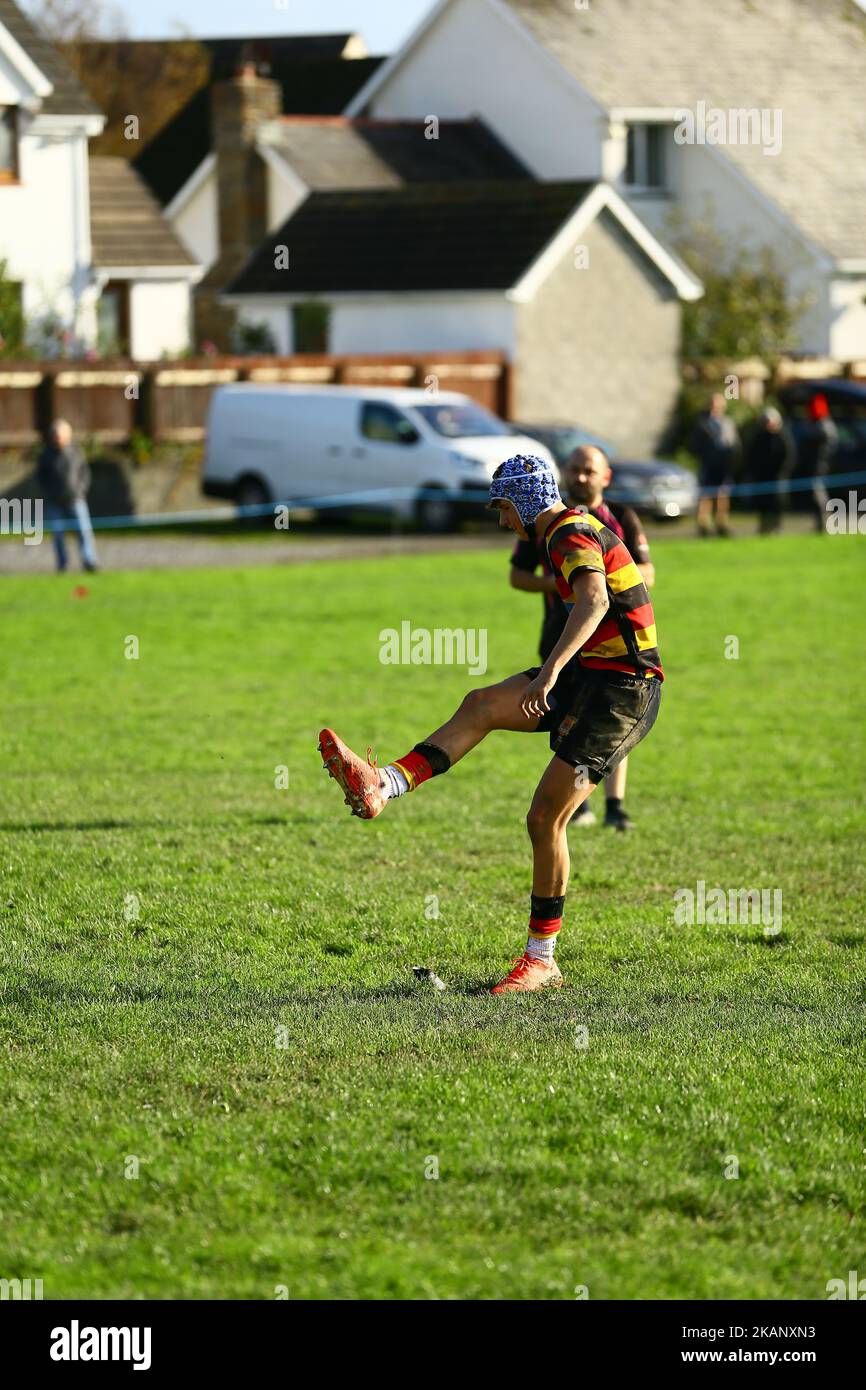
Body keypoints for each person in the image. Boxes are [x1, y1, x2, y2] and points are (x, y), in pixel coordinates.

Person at [318, 454, 664, 994]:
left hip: (623, 688)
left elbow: (594, 599)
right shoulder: (566, 528)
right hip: (591, 674)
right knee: (481, 704)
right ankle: (381, 784)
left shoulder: (568, 532)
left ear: (524, 501)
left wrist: (548, 673)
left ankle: (541, 960)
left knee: (544, 817)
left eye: (503, 507)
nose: (502, 521)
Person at [510, 444, 655, 831]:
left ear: (605, 476)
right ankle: (580, 805)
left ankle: (614, 805)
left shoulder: (617, 518)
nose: (581, 476)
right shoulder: (541, 519)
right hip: (560, 634)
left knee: (608, 715)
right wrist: (561, 584)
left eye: (589, 470)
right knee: (571, 720)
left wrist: (593, 583)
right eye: (574, 469)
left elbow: (644, 572)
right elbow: (516, 576)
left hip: (614, 643)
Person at [35, 419, 99, 572]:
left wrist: (80, 490)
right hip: (55, 502)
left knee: (83, 531)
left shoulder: (76, 452)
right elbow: (40, 476)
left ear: (67, 436)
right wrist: (50, 491)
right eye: (55, 435)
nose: (57, 438)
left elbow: (84, 473)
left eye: (60, 435)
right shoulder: (46, 455)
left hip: (76, 499)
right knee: (58, 534)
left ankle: (89, 561)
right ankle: (63, 564)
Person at [691, 393, 741, 537]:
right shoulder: (702, 423)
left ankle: (722, 525)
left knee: (722, 496)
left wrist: (733, 462)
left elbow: (735, 444)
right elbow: (695, 445)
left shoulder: (728, 423)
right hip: (708, 465)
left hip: (724, 467)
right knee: (706, 495)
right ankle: (703, 526)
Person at [745, 407, 795, 535]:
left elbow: (789, 457)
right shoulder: (759, 437)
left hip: (778, 478)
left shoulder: (783, 437)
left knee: (777, 504)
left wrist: (782, 472)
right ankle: (764, 527)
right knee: (763, 504)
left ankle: (777, 527)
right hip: (762, 478)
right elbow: (752, 457)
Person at [797, 393, 837, 533]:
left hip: (820, 465)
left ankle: (825, 522)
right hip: (815, 464)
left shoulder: (823, 426)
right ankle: (821, 522)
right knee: (816, 493)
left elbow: (823, 445)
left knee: (818, 492)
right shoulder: (817, 424)